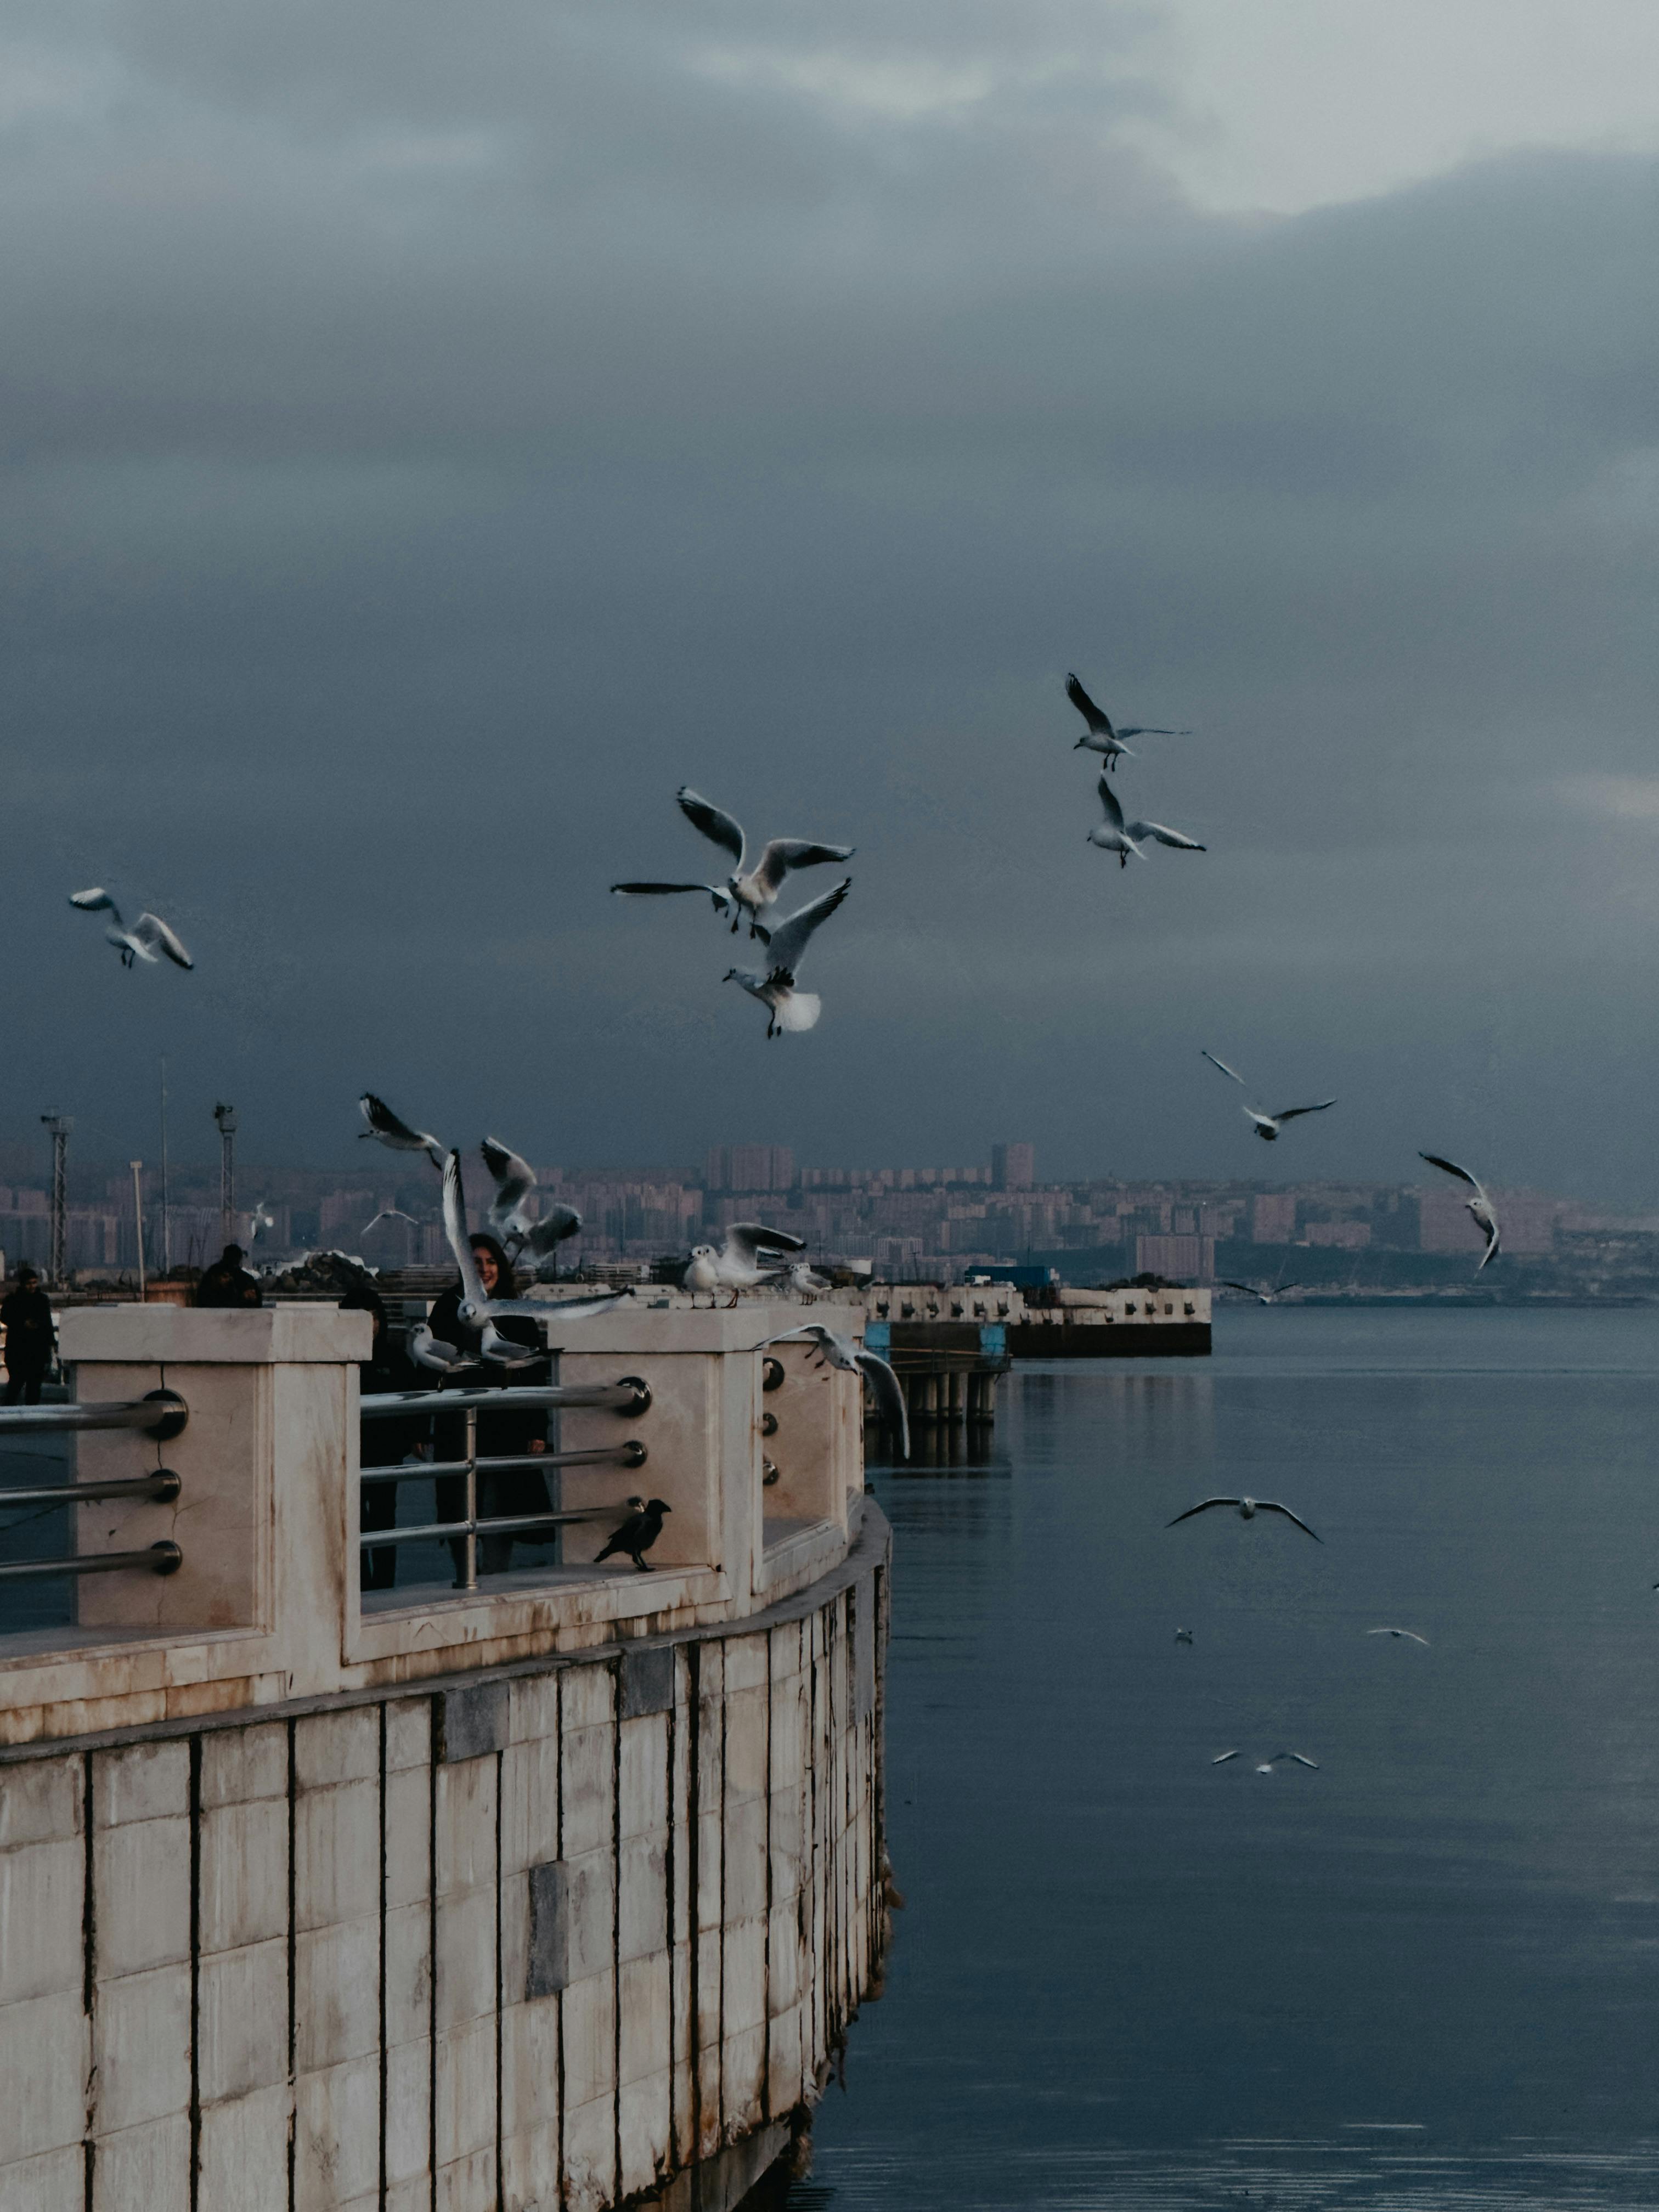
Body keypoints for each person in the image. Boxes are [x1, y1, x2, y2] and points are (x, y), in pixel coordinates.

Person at [428, 1232, 550, 1581]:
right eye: (477, 1262)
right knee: (458, 1507)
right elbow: (429, 1370)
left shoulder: (515, 1308)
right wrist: (422, 1430)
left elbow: (533, 1371)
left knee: (499, 1509)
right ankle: (466, 1573)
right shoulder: (448, 1305)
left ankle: (494, 1577)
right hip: (456, 1421)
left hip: (505, 1424)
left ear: (501, 1266)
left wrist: (537, 1430)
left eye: (491, 1262)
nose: (484, 1269)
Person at [345, 1280, 430, 1594]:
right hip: (349, 1455)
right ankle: (359, 1586)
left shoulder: (396, 1360)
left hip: (385, 1456)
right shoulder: (338, 1362)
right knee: (351, 1523)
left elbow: (414, 1401)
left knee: (382, 1521)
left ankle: (382, 1587)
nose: (371, 1325)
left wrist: (415, 1437)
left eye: (375, 1317)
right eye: (362, 1317)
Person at [1, 1265, 55, 1405]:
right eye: (29, 1283)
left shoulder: (40, 1300)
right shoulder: (14, 1300)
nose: (32, 1287)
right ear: (23, 1284)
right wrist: (23, 1323)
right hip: (19, 1351)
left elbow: (47, 1324)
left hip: (34, 1351)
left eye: (34, 1283)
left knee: (33, 1388)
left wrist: (51, 1343)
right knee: (16, 1385)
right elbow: (5, 1317)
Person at [195, 1244, 261, 1309]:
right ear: (240, 1259)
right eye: (225, 1277)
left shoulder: (213, 1272)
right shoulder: (214, 1274)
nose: (228, 1279)